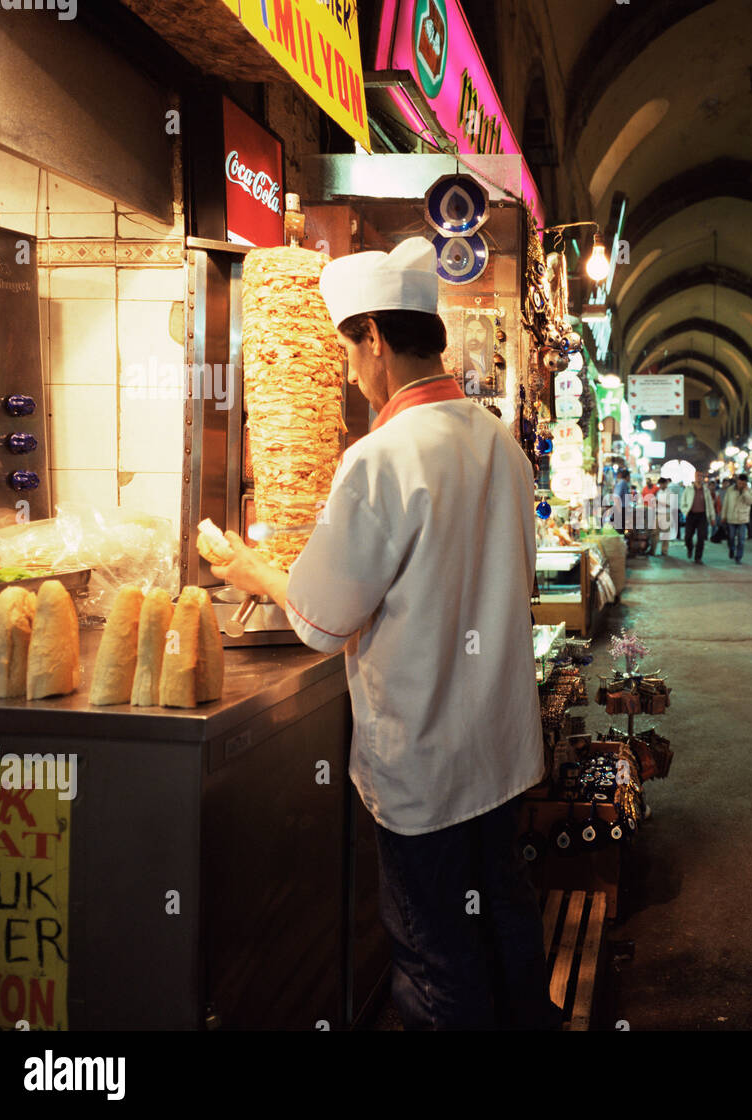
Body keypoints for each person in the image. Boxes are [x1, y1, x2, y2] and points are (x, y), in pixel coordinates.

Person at [210, 237, 558, 1030]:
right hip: (500, 756)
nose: (346, 372)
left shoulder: (379, 459)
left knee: (438, 970)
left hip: (426, 772)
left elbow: (319, 622)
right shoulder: (501, 446)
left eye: (347, 349)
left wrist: (253, 572)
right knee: (507, 938)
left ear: (372, 338)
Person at [681, 469, 720, 564]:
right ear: (694, 477)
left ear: (703, 478)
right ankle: (690, 548)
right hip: (691, 515)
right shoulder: (688, 489)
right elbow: (682, 503)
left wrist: (712, 518)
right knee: (688, 537)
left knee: (701, 537)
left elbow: (710, 505)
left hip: (702, 516)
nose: (699, 478)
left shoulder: (706, 490)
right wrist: (686, 511)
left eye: (701, 476)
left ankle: (698, 557)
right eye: (697, 476)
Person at [721, 474, 752, 563]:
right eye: (739, 483)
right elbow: (726, 503)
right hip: (731, 517)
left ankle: (738, 557)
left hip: (742, 518)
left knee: (741, 540)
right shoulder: (730, 489)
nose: (740, 485)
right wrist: (723, 516)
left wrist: (745, 492)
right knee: (731, 537)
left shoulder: (749, 490)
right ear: (737, 481)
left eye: (743, 483)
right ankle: (732, 549)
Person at [655, 477, 679, 556]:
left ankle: (664, 551)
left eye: (662, 484)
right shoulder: (659, 492)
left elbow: (670, 505)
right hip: (659, 513)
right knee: (655, 533)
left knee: (665, 534)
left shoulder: (670, 492)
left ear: (666, 483)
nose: (661, 485)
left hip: (667, 514)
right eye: (660, 484)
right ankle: (653, 550)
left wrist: (659, 502)